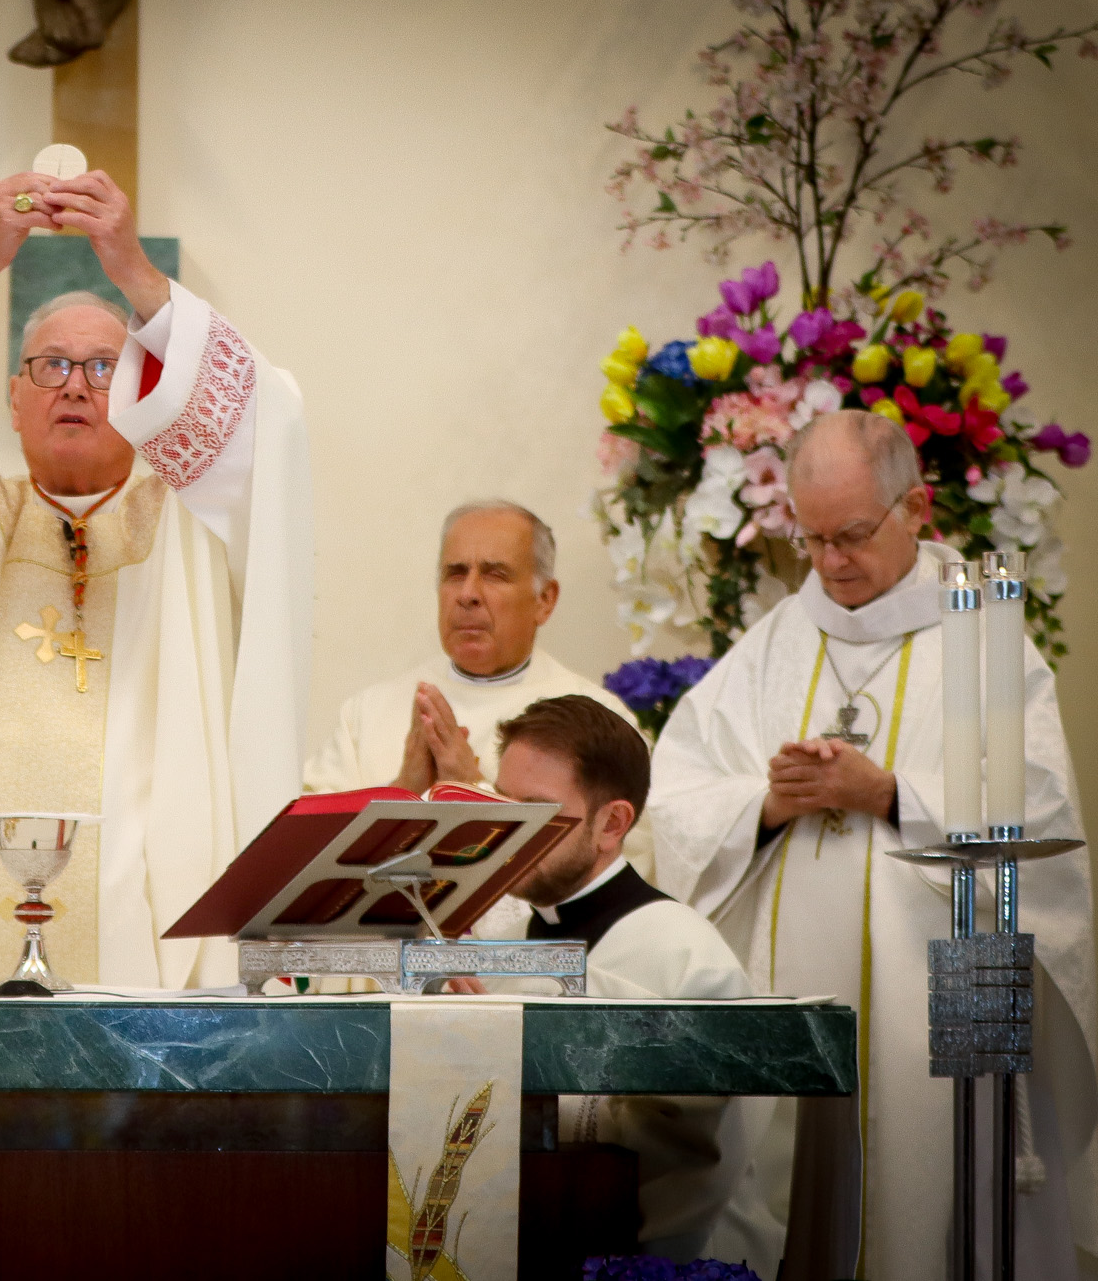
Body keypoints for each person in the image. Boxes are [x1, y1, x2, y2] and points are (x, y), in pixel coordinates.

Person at [0, 167, 310, 989]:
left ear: (147, 393)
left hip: (151, 927)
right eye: (50, 366)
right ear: (12, 399)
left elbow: (273, 417)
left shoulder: (190, 523)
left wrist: (135, 274)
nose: (77, 385)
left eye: (103, 367)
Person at [651, 408, 1093, 1278]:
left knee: (941, 1209)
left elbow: (1037, 807)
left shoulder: (985, 636)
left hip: (949, 984)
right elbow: (682, 791)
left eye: (852, 534)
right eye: (811, 540)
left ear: (917, 508)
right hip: (796, 986)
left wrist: (886, 792)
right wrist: (769, 804)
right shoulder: (775, 644)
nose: (830, 562)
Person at [472, 695, 782, 1273]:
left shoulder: (684, 956)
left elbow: (682, 1157)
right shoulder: (498, 949)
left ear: (611, 823)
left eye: (536, 812)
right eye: (501, 803)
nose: (506, 832)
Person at [305, 499, 652, 877]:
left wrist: (473, 792)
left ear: (544, 600)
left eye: (495, 575)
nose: (467, 594)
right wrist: (402, 792)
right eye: (455, 573)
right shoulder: (367, 713)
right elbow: (303, 859)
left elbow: (622, 867)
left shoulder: (601, 721)